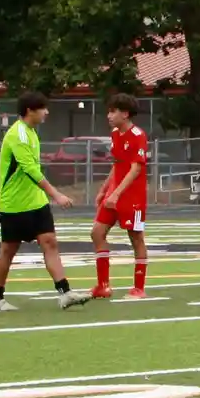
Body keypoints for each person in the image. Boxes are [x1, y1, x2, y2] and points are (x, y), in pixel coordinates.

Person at [0, 90, 81, 309]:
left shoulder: (32, 132)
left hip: (36, 202)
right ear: (29, 111)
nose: (46, 112)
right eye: (42, 108)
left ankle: (65, 292)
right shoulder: (18, 134)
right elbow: (31, 170)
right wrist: (57, 195)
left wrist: (46, 196)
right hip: (15, 204)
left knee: (50, 243)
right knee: (8, 250)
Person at [82, 93, 152, 299]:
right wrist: (105, 190)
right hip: (114, 195)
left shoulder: (138, 135)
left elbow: (135, 169)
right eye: (109, 111)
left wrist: (117, 193)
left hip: (133, 197)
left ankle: (139, 288)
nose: (109, 116)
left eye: (113, 111)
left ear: (125, 113)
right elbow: (118, 165)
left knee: (136, 238)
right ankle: (103, 286)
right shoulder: (115, 134)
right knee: (97, 232)